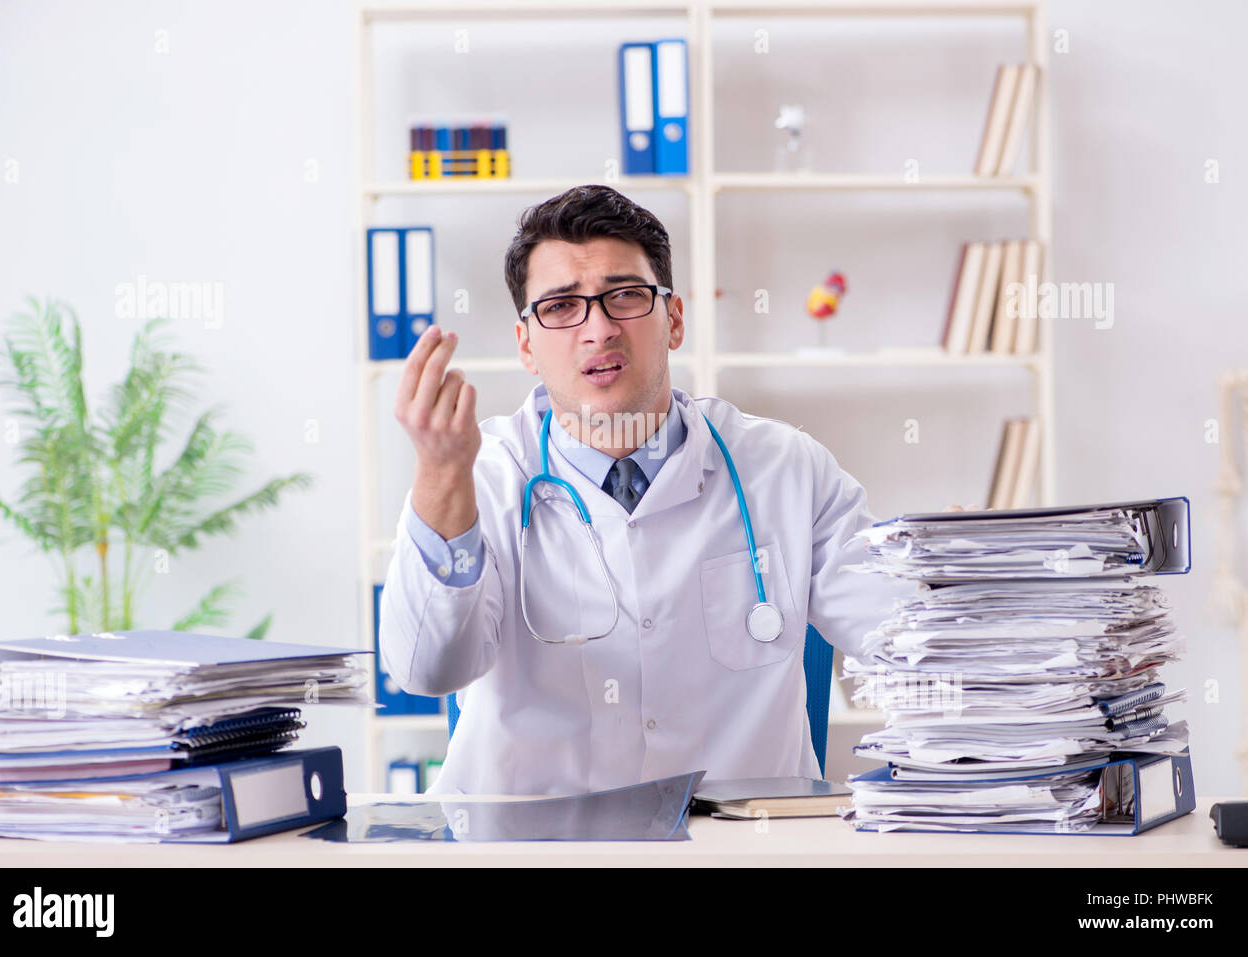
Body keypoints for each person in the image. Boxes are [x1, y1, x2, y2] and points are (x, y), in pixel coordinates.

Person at [380, 184, 916, 796]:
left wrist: (959, 578)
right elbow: (427, 669)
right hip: (531, 851)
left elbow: (904, 641)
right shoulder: (481, 476)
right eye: (560, 307)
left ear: (675, 319)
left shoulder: (787, 468)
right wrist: (441, 475)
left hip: (743, 849)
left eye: (626, 296)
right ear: (526, 344)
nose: (598, 329)